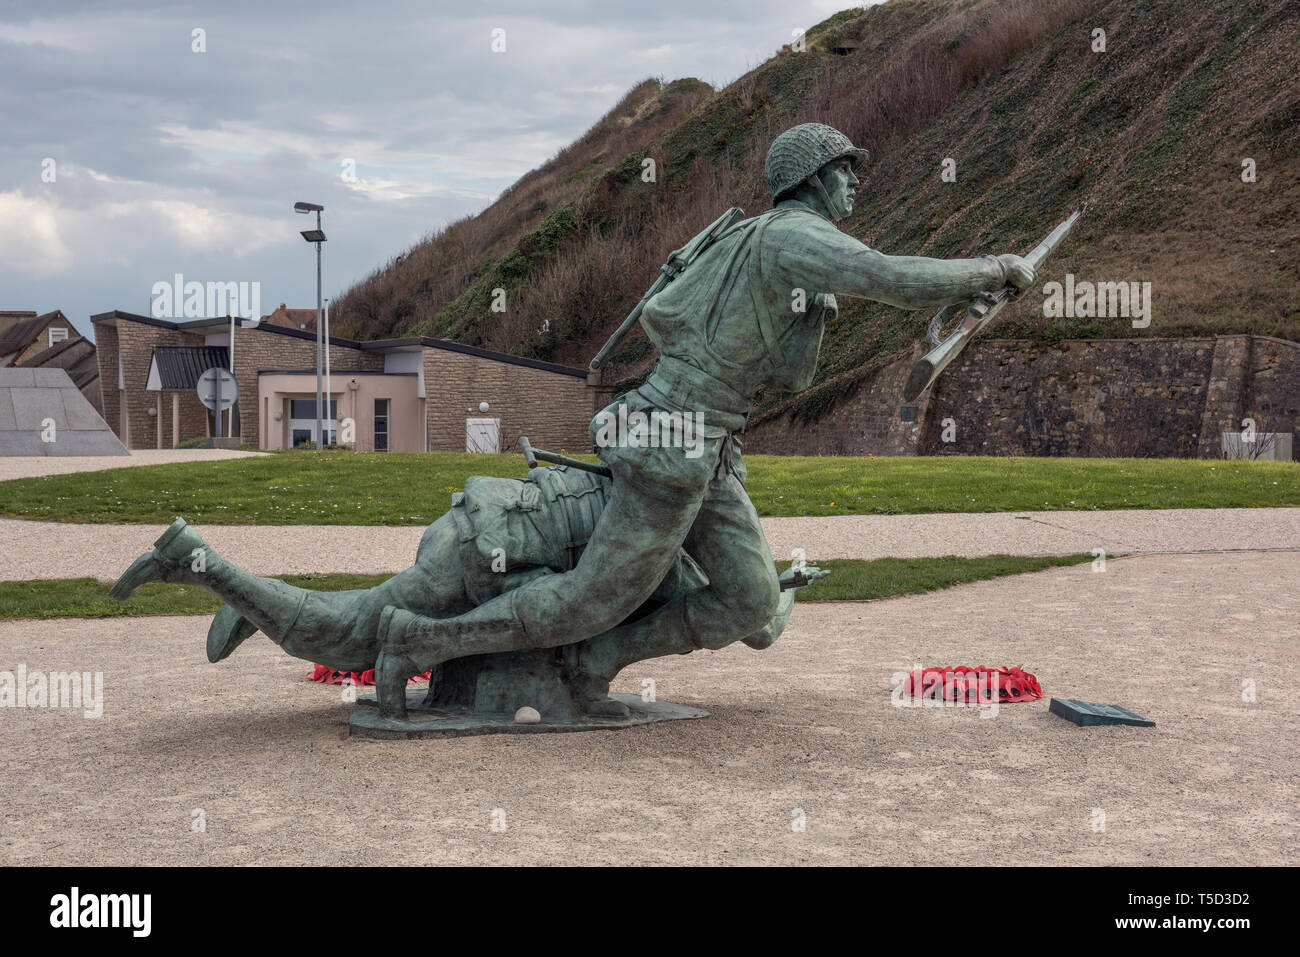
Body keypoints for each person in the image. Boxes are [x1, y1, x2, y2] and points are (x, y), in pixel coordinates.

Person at [368, 122, 1036, 719]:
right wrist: (994, 268)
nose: (856, 181)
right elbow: (888, 276)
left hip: (706, 442)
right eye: (845, 171)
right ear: (813, 180)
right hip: (673, 437)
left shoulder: (756, 240)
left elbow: (787, 379)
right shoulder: (794, 235)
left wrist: (813, 317)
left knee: (750, 602)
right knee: (588, 601)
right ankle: (415, 641)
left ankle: (593, 664)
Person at [110, 463, 823, 715]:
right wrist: (785, 589)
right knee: (354, 635)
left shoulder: (655, 497)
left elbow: (752, 610)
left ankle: (252, 601)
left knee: (353, 619)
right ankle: (204, 565)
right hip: (495, 550)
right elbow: (757, 623)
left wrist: (781, 583)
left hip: (485, 521)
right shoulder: (681, 559)